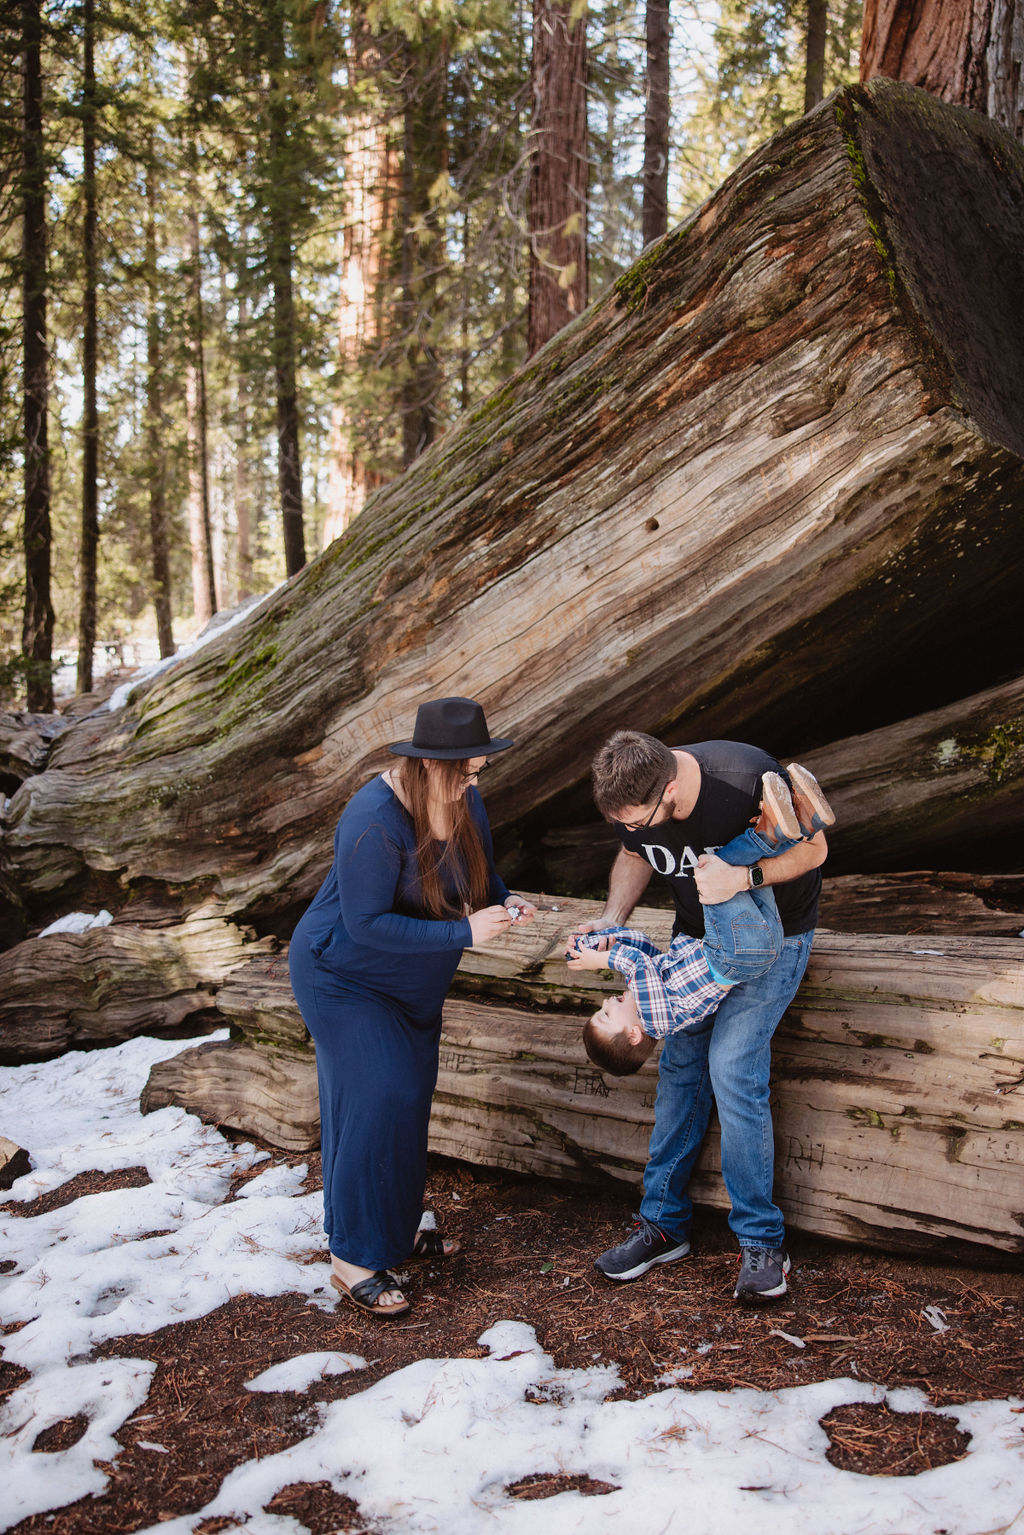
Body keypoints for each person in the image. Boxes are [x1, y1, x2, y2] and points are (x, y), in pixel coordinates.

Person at [289, 697, 536, 1319]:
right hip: (346, 977)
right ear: (429, 764)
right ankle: (353, 1257)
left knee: (406, 1100)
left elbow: (475, 873)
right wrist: (464, 935)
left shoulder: (462, 798)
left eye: (479, 770)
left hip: (413, 982)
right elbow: (365, 922)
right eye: (466, 771)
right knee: (379, 1098)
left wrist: (507, 903)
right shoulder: (373, 819)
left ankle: (393, 1231)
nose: (474, 781)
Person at [571, 735, 833, 1302]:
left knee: (733, 1068)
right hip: (694, 946)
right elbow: (635, 853)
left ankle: (762, 1244)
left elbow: (814, 853)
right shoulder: (630, 797)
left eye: (641, 820)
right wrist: (610, 922)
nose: (633, 830)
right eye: (622, 822)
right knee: (680, 1072)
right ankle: (662, 1224)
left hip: (773, 939)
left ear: (669, 789)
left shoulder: (741, 777)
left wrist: (745, 879)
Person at [567, 771, 825, 1073]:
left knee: (726, 868)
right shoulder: (654, 1018)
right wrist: (601, 960)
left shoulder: (647, 991)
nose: (607, 1003)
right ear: (634, 1035)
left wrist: (609, 936)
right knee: (709, 871)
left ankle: (803, 825)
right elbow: (636, 964)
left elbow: (646, 951)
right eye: (607, 1015)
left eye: (601, 1010)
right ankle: (771, 832)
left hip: (748, 943)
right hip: (733, 952)